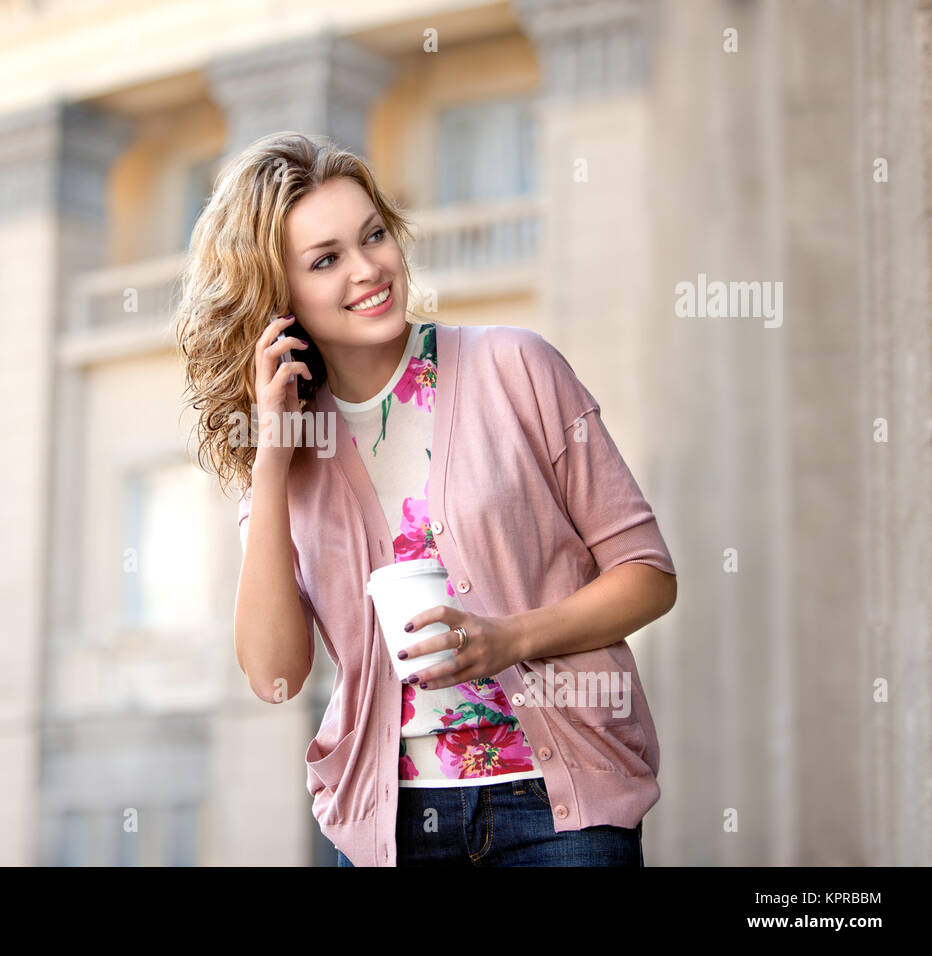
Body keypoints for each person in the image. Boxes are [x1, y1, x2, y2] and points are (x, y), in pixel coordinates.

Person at [174, 131, 678, 866]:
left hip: (560, 812)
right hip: (392, 827)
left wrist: (510, 640)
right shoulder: (286, 451)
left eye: (373, 235)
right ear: (278, 299)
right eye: (326, 259)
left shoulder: (515, 366)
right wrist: (273, 464)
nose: (368, 268)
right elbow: (275, 675)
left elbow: (648, 575)